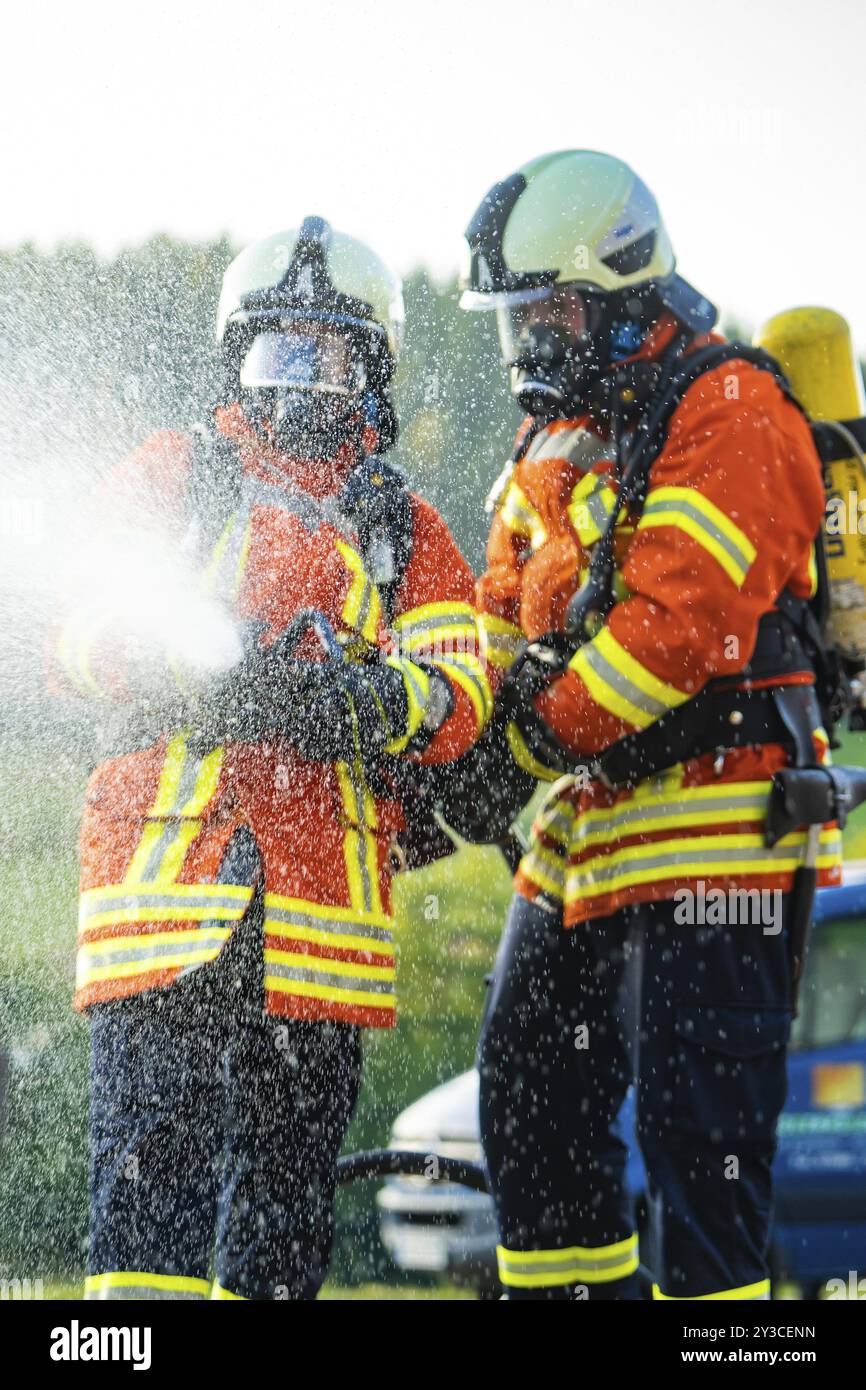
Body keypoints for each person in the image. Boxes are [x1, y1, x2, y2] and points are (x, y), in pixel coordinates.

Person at [50, 217, 492, 1300]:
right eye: (276, 348)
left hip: (319, 949)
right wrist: (199, 655)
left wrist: (370, 697)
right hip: (165, 917)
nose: (301, 377)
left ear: (370, 373)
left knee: (280, 1239)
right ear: (235, 358)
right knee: (145, 1225)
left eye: (329, 352)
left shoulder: (402, 525)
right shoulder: (174, 475)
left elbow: (460, 687)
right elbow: (74, 632)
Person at [460, 150, 842, 1300]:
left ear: (619, 286)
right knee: (527, 1104)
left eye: (547, 310)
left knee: (701, 1150)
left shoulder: (732, 407)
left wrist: (522, 743)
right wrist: (453, 731)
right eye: (516, 317)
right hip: (591, 838)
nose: (529, 341)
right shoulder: (553, 444)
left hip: (722, 824)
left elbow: (674, 630)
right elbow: (491, 612)